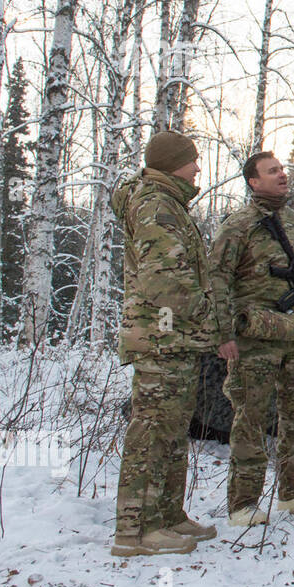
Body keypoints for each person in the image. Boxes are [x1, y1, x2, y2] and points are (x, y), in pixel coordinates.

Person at [111, 131, 221, 556]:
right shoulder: (157, 207)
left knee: (173, 432)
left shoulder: (168, 203)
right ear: (173, 163)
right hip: (161, 339)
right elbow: (166, 282)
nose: (197, 168)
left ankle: (167, 516)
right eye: (192, 161)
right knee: (152, 432)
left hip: (174, 339)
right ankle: (136, 531)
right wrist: (210, 318)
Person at [211, 152, 294, 526]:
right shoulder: (238, 226)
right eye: (272, 171)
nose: (282, 175)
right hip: (255, 340)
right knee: (250, 419)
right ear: (253, 181)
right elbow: (216, 280)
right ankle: (243, 503)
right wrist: (223, 332)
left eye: (282, 169)